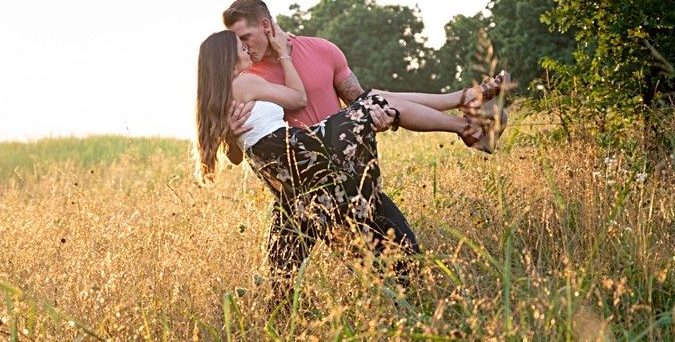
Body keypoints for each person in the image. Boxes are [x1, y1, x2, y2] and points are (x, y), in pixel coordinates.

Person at [195, 26, 508, 299]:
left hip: (295, 173)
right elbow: (298, 99)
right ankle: (466, 116)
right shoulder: (246, 83)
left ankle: (466, 106)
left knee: (374, 102)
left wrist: (229, 132)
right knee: (373, 102)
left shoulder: (221, 96)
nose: (246, 48)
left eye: (245, 39)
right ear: (226, 58)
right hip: (306, 152)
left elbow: (238, 151)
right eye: (240, 46)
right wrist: (285, 55)